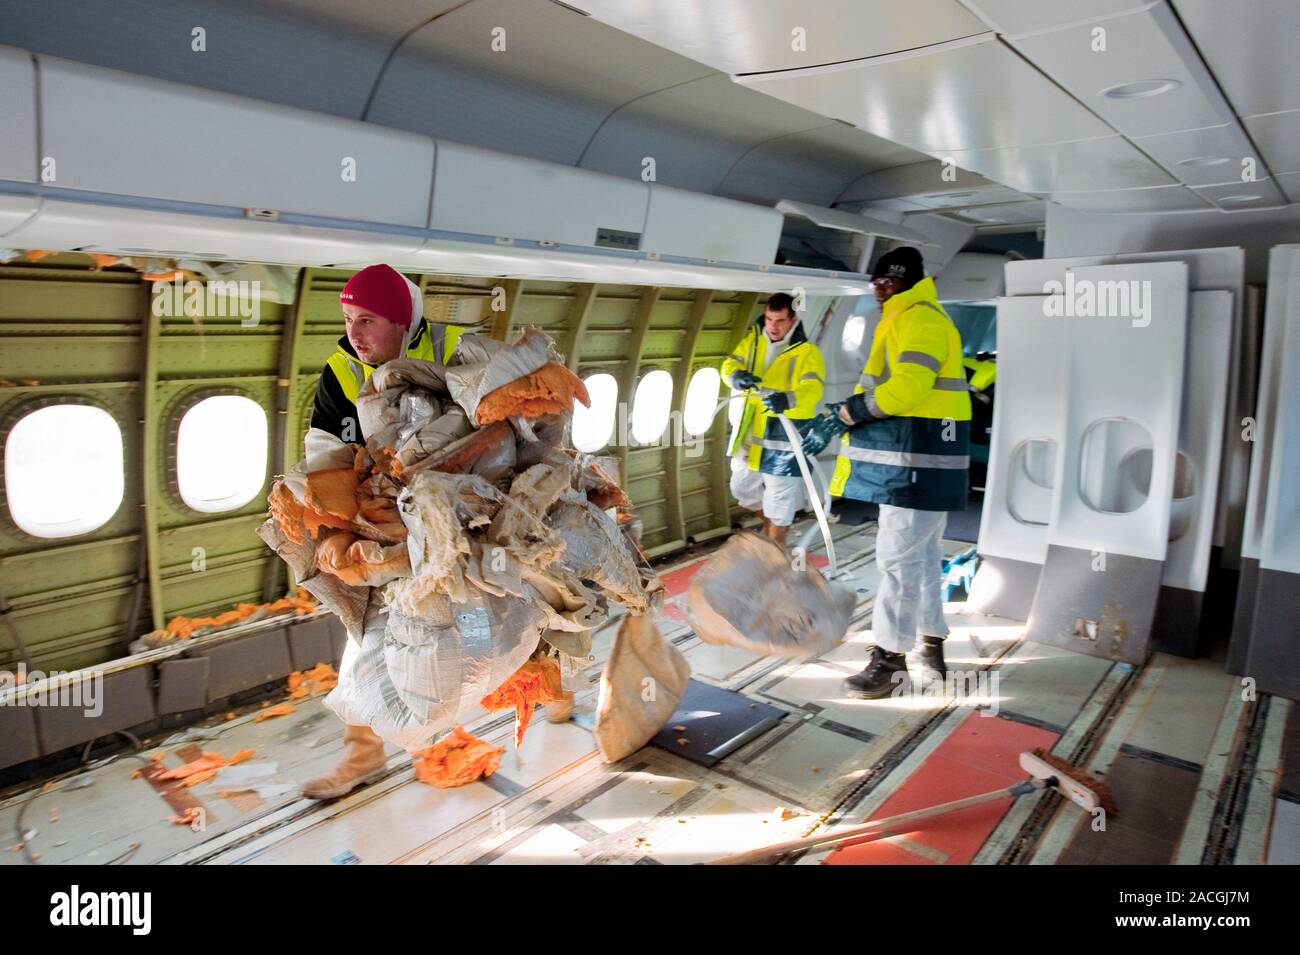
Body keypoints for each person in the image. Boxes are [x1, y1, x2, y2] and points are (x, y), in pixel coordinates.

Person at [802, 247, 971, 698]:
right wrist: (844, 413)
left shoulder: (920, 319)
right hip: (923, 466)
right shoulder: (906, 318)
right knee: (921, 560)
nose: (880, 288)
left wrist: (847, 414)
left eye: (888, 281)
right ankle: (930, 650)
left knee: (897, 563)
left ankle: (889, 660)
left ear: (910, 280)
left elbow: (907, 390)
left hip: (916, 467)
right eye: (876, 281)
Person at [720, 292, 825, 548]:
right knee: (742, 490)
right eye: (768, 319)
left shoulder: (806, 353)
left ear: (792, 320)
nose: (773, 326)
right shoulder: (753, 342)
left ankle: (776, 557)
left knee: (779, 507)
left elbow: (812, 389)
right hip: (750, 437)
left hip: (782, 440)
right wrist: (735, 378)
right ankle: (771, 537)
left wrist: (786, 400)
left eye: (779, 321)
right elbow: (728, 365)